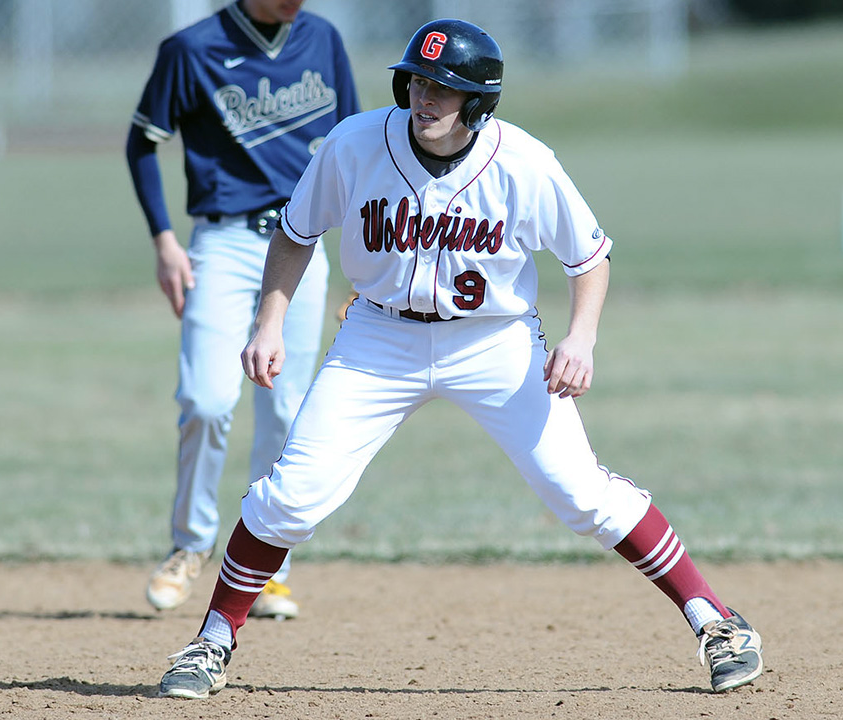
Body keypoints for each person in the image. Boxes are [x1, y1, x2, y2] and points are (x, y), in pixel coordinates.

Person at [157, 18, 764, 700]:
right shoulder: (355, 144)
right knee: (293, 494)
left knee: (579, 493)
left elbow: (589, 258)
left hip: (494, 341)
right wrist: (269, 323)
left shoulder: (524, 163)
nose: (425, 97)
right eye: (418, 80)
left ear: (477, 102)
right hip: (378, 338)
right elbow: (297, 234)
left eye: (443, 88)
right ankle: (211, 640)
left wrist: (581, 338)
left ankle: (717, 622)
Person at [125, 0, 360, 620]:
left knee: (286, 407)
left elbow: (361, 153)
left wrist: (370, 265)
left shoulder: (322, 38)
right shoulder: (192, 49)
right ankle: (189, 544)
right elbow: (141, 143)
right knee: (206, 400)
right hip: (223, 243)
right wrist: (164, 241)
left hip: (303, 242)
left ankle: (268, 570)